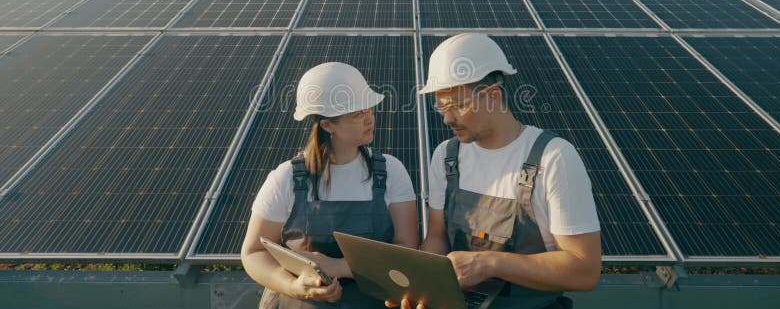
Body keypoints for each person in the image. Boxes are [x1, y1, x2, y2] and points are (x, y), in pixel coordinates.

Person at [400, 33, 601, 309]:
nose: (447, 118)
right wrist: (424, 287)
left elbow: (585, 270)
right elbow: (437, 237)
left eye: (458, 105)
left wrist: (490, 263)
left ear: (493, 96)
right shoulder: (446, 156)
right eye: (441, 106)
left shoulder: (553, 159)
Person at [241, 62, 418, 308]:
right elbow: (253, 253)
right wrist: (294, 286)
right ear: (327, 125)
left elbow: (408, 252)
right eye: (358, 114)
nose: (370, 119)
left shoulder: (391, 172)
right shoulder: (286, 178)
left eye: (368, 109)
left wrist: (338, 266)